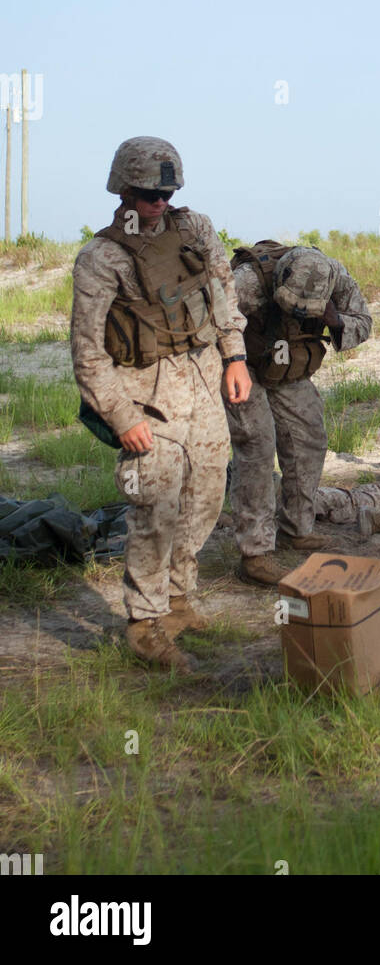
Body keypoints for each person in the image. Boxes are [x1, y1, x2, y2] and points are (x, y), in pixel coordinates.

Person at [71, 137, 251, 672]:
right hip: (143, 392)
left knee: (209, 486)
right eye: (150, 194)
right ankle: (144, 623)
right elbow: (86, 351)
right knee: (155, 501)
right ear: (124, 190)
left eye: (167, 193)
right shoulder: (101, 257)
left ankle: (177, 596)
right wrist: (120, 416)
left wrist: (235, 356)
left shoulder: (194, 229)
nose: (160, 204)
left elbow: (222, 292)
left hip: (202, 377)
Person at [226, 241, 371, 584]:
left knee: (309, 439)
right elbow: (210, 325)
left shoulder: (336, 278)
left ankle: (297, 527)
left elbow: (364, 323)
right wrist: (231, 365)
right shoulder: (245, 282)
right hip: (244, 366)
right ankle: (255, 553)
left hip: (288, 369)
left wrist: (334, 320)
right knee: (258, 448)